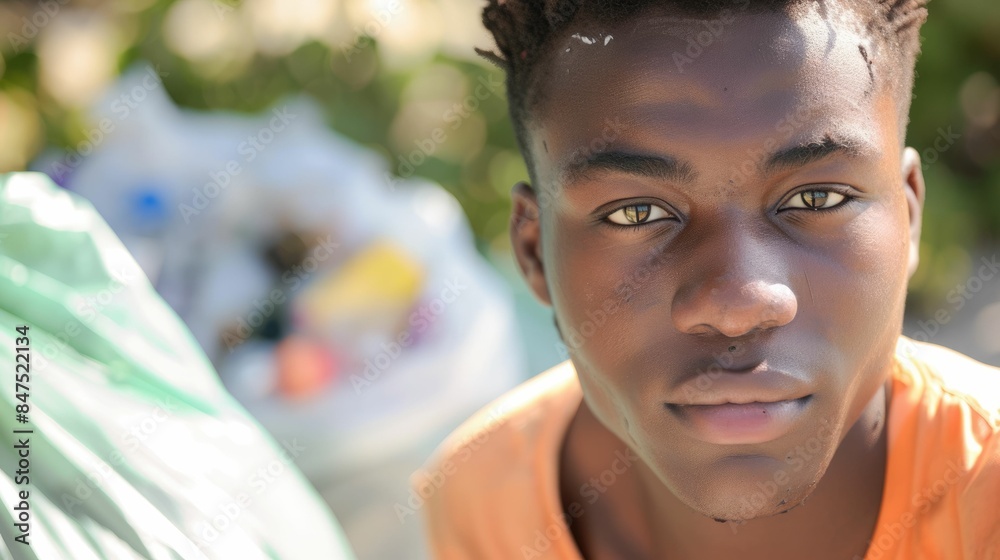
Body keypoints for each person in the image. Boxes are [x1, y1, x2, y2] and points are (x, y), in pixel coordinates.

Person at [413, 1, 1000, 558]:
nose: (737, 305)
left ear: (910, 216)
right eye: (636, 213)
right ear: (534, 252)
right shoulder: (484, 501)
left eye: (818, 197)